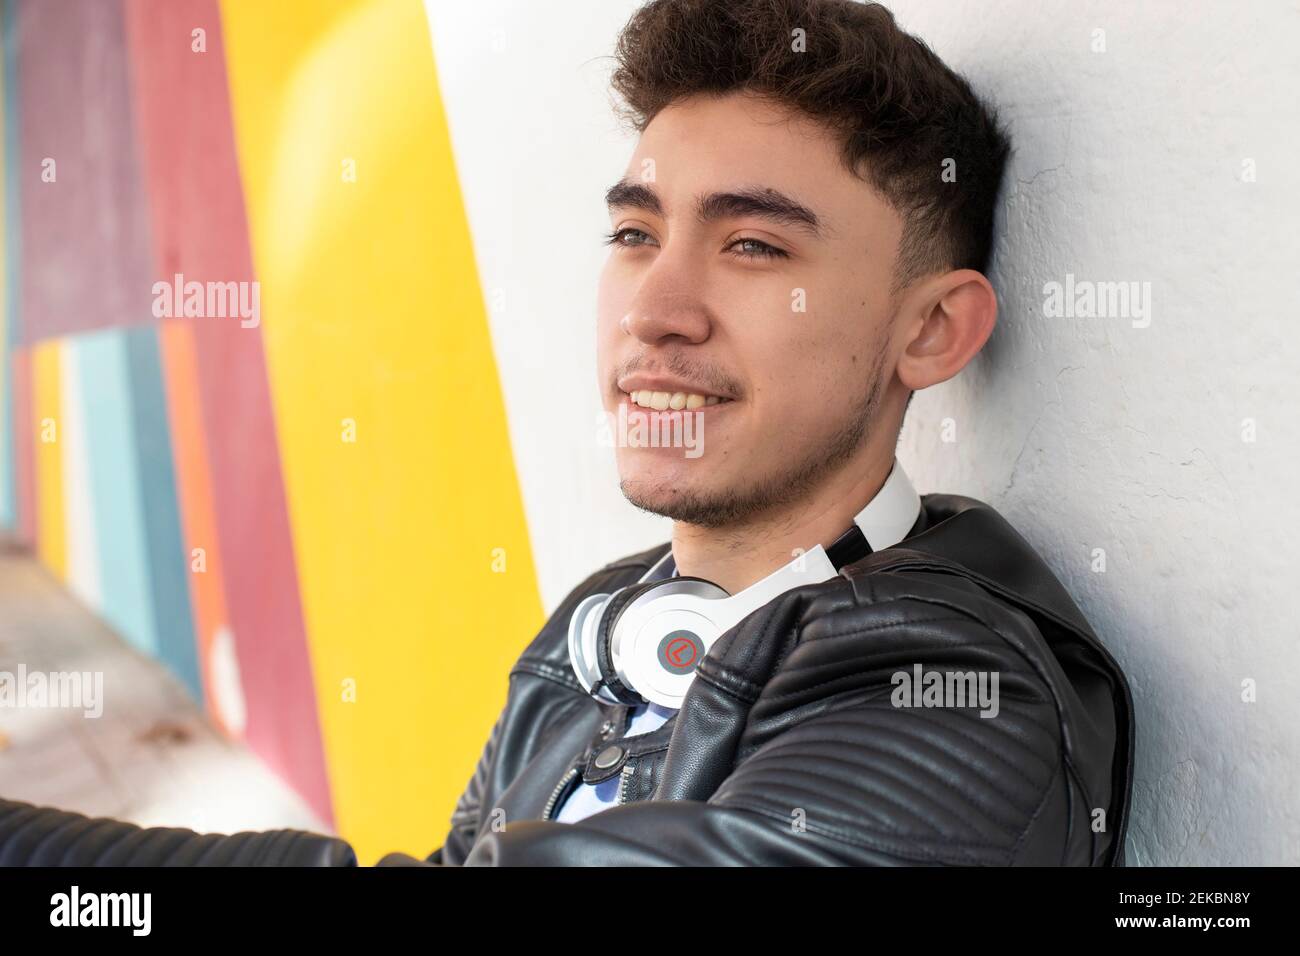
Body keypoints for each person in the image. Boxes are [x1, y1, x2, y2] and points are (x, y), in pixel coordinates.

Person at [0, 0, 1133, 866]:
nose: (654, 309)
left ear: (932, 330)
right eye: (637, 234)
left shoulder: (963, 695)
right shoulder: (599, 620)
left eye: (752, 247)